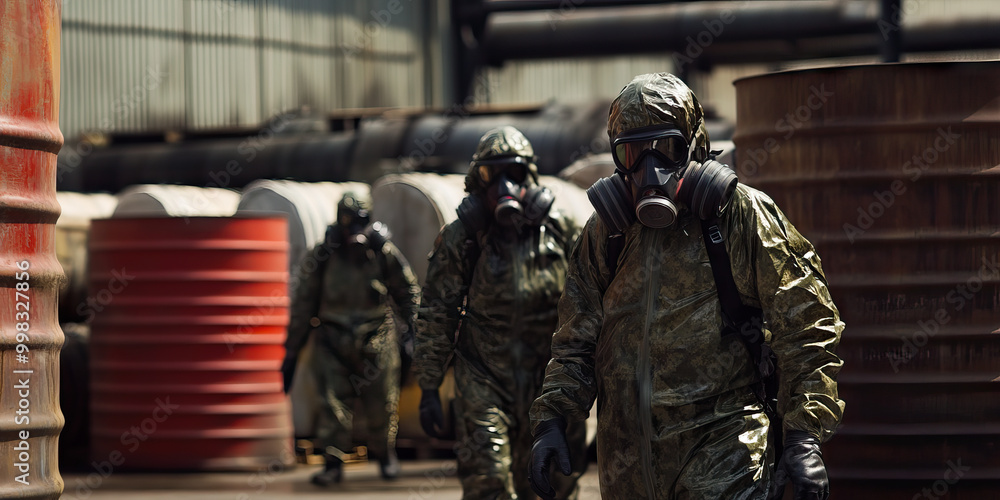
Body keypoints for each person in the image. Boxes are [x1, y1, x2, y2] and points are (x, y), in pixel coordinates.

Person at [528, 73, 846, 500]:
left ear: (694, 145)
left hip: (725, 455)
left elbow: (807, 329)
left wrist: (803, 434)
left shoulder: (739, 216)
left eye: (667, 149)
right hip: (628, 462)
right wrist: (552, 419)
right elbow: (575, 340)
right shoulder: (608, 232)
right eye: (633, 154)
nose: (650, 170)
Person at [415, 126, 588, 500]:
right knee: (487, 478)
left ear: (531, 178)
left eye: (515, 173)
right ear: (478, 182)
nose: (505, 185)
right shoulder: (463, 237)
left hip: (549, 379)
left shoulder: (560, 230)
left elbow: (589, 304)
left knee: (553, 483)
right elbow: (437, 310)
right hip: (485, 376)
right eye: (493, 175)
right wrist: (429, 384)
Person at [282, 192, 420, 486]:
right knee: (332, 405)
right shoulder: (323, 256)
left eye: (360, 222)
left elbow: (407, 291)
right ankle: (333, 463)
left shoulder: (382, 252)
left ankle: (385, 455)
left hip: (377, 337)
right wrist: (292, 350)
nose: (355, 230)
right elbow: (305, 301)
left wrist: (414, 332)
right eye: (349, 223)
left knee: (382, 402)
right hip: (333, 338)